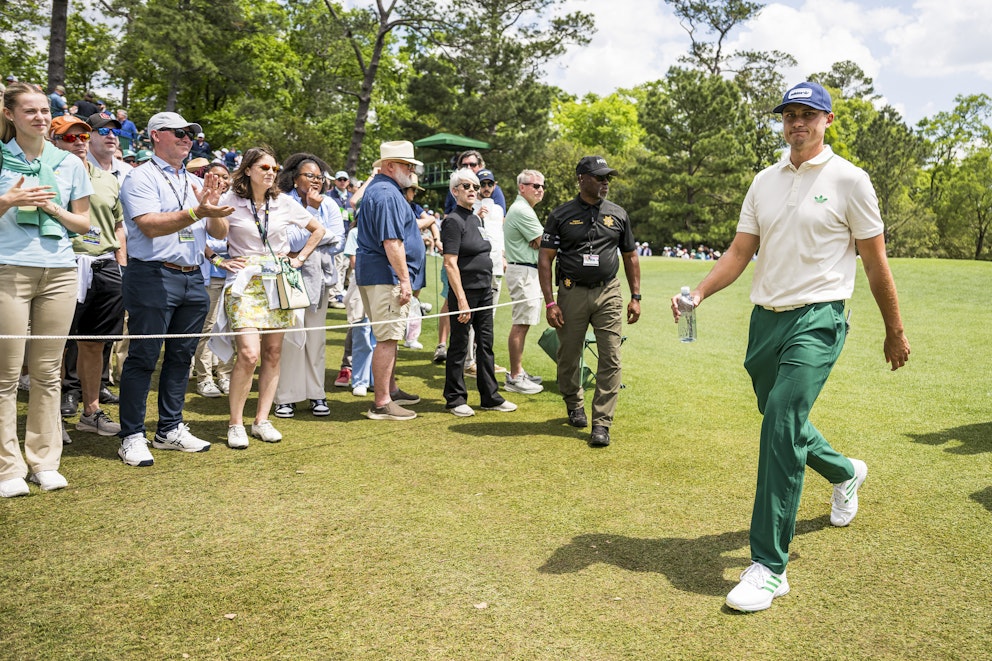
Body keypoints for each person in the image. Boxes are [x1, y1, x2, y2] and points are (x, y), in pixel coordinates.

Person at [671, 81, 911, 613]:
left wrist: (894, 330)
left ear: (827, 120)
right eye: (789, 114)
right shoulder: (764, 181)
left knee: (780, 420)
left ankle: (769, 567)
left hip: (820, 318)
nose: (796, 122)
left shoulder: (851, 180)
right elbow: (741, 249)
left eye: (808, 114)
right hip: (766, 322)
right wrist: (701, 294)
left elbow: (875, 263)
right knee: (784, 420)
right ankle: (846, 471)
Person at [116, 111, 234, 467]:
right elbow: (149, 226)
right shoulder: (141, 177)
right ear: (155, 136)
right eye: (180, 132)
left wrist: (209, 209)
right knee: (143, 358)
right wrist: (198, 212)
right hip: (152, 274)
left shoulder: (194, 180)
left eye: (191, 134)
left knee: (181, 356)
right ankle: (132, 436)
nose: (188, 138)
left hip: (191, 275)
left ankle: (169, 428)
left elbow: (220, 233)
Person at [0, 82, 93, 496]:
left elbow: (84, 224)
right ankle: (7, 468)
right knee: (5, 374)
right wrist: (7, 201)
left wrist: (53, 207)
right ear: (10, 115)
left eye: (43, 111)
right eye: (29, 111)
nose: (39, 117)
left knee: (48, 371)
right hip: (9, 269)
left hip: (59, 270)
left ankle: (44, 461)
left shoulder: (69, 162)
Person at [214, 147, 325, 448]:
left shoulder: (283, 202)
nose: (270, 172)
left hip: (277, 281)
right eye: (264, 167)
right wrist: (217, 260)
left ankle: (262, 419)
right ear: (247, 169)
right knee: (249, 354)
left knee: (273, 353)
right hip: (244, 282)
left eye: (274, 169)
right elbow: (207, 234)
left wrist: (298, 260)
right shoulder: (229, 201)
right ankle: (235, 423)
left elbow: (318, 230)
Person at [538, 155, 641, 448]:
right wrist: (550, 302)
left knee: (611, 356)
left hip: (608, 291)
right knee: (568, 356)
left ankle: (602, 423)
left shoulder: (618, 214)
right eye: (599, 177)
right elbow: (545, 259)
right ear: (581, 178)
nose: (606, 182)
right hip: (571, 293)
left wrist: (635, 296)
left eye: (608, 177)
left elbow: (630, 256)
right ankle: (573, 402)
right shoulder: (560, 215)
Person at [48, 115, 127, 440]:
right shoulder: (48, 174)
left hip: (106, 265)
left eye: (82, 136)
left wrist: (121, 266)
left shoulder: (106, 179)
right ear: (54, 142)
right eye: (69, 138)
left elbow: (118, 225)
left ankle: (90, 411)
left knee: (94, 344)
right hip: (65, 263)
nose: (78, 142)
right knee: (55, 345)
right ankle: (50, 416)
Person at [355, 140, 425, 421]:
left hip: (380, 274)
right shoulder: (386, 194)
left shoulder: (384, 191)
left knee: (389, 336)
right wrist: (405, 281)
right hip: (386, 276)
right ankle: (382, 402)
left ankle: (390, 390)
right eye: (407, 164)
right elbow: (392, 242)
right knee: (387, 338)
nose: (411, 170)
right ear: (390, 166)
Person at [271, 152, 345, 419]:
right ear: (294, 177)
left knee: (316, 338)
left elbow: (339, 241)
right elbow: (288, 241)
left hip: (320, 281)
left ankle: (316, 394)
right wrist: (313, 215)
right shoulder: (282, 203)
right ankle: (286, 397)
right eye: (309, 175)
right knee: (292, 337)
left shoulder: (332, 205)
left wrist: (317, 234)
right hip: (290, 278)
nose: (315, 181)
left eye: (319, 177)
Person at [441, 168, 516, 417]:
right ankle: (455, 398)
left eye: (475, 186)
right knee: (460, 344)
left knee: (486, 344)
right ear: (455, 191)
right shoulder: (452, 221)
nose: (473, 190)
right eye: (466, 186)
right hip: (465, 293)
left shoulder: (475, 218)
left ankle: (490, 396)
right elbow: (450, 263)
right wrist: (461, 300)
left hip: (485, 289)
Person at [503, 169, 547, 394]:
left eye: (542, 186)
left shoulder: (524, 209)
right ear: (522, 187)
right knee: (521, 323)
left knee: (524, 322)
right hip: (523, 270)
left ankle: (517, 370)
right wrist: (543, 241)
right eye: (535, 186)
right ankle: (514, 376)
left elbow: (542, 242)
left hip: (527, 270)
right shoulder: (522, 210)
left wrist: (543, 241)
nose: (540, 190)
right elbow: (544, 242)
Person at [195, 162, 235, 398]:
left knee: (229, 328)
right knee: (207, 327)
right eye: (216, 176)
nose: (222, 180)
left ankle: (225, 374)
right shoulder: (200, 199)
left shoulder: (235, 202)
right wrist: (218, 259)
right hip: (210, 275)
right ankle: (204, 377)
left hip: (233, 275)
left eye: (225, 176)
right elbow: (200, 238)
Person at [443, 150, 505, 214]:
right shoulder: (456, 188)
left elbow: (501, 216)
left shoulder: (491, 188)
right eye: (464, 165)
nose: (468, 168)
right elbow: (447, 214)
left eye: (472, 164)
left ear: (480, 166)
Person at [86, 112, 128, 184]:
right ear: (88, 136)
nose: (111, 136)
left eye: (115, 132)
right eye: (104, 131)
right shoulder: (78, 169)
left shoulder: (128, 170)